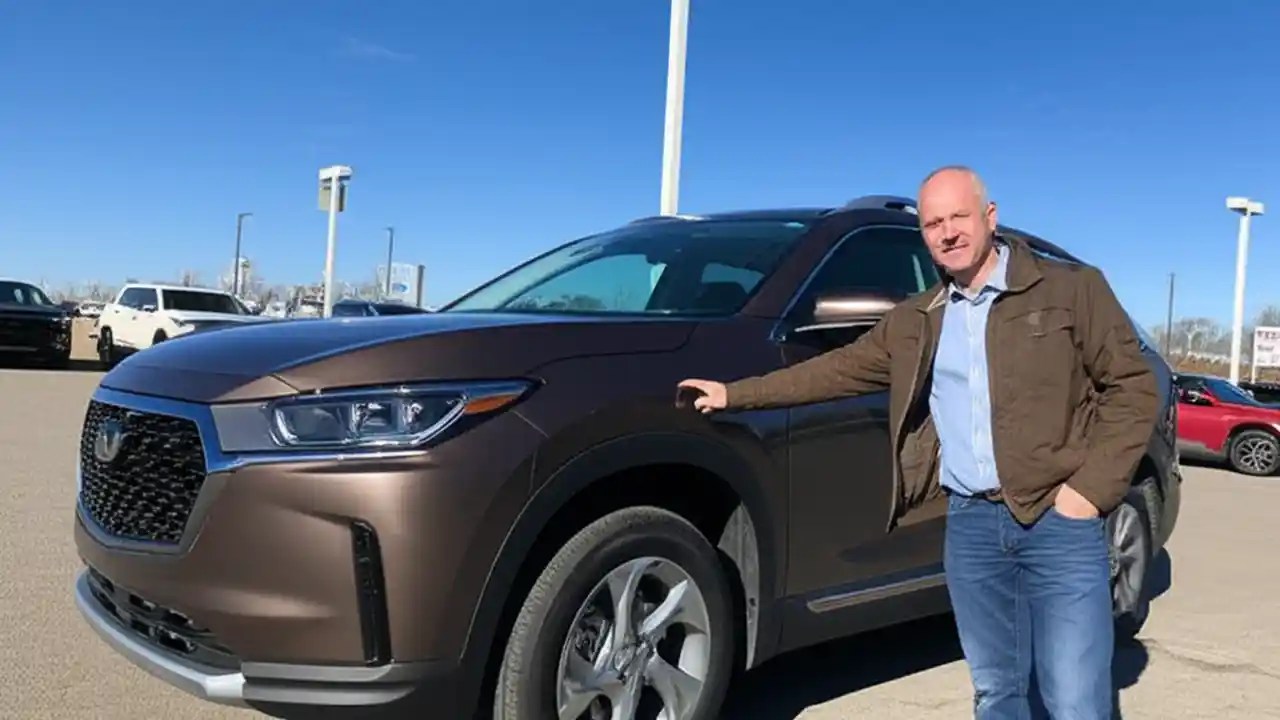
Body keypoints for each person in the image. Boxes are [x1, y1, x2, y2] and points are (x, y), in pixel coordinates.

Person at [678, 165, 1159, 719]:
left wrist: (1087, 494)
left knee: (1075, 697)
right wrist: (734, 395)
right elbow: (836, 371)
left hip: (1057, 521)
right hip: (973, 529)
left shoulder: (1071, 289)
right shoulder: (918, 320)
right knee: (997, 690)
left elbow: (1132, 387)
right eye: (933, 223)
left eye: (958, 217)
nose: (948, 232)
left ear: (989, 217)